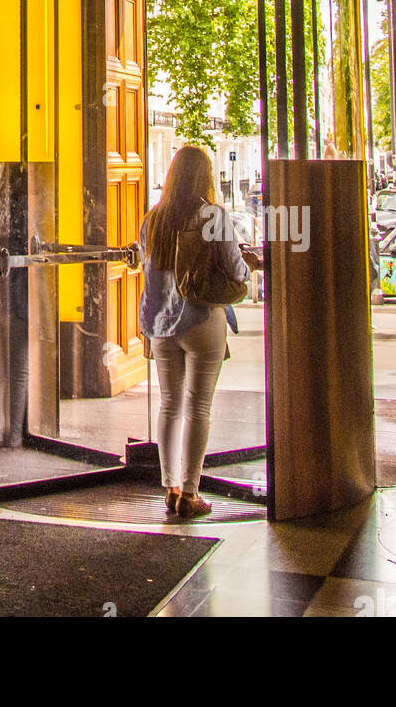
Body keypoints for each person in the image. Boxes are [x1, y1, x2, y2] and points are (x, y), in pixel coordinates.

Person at [140, 144, 260, 519]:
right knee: (199, 407)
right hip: (202, 319)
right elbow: (234, 267)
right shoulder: (212, 215)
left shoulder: (153, 219)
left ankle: (170, 488)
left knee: (170, 404)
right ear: (204, 176)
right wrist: (249, 266)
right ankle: (191, 493)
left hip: (161, 323)